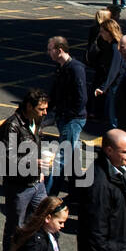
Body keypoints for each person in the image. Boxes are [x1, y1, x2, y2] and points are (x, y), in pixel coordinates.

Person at [0, 90, 51, 251]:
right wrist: (34, 164)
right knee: (15, 225)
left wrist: (40, 170)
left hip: (36, 182)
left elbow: (37, 145)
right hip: (18, 185)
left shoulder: (36, 121)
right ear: (29, 106)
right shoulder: (11, 126)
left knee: (41, 218)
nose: (45, 113)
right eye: (41, 109)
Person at [46, 36, 88, 193]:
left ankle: (49, 196)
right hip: (65, 117)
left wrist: (68, 114)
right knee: (72, 157)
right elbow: (55, 93)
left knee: (61, 159)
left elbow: (82, 97)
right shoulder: (61, 67)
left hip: (73, 119)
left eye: (50, 49)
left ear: (59, 50)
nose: (48, 52)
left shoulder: (75, 69)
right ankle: (78, 191)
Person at [92, 18, 125, 132]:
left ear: (109, 32)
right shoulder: (114, 44)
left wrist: (103, 87)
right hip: (116, 84)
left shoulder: (115, 47)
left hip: (116, 85)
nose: (101, 34)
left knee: (113, 116)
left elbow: (114, 69)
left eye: (102, 32)